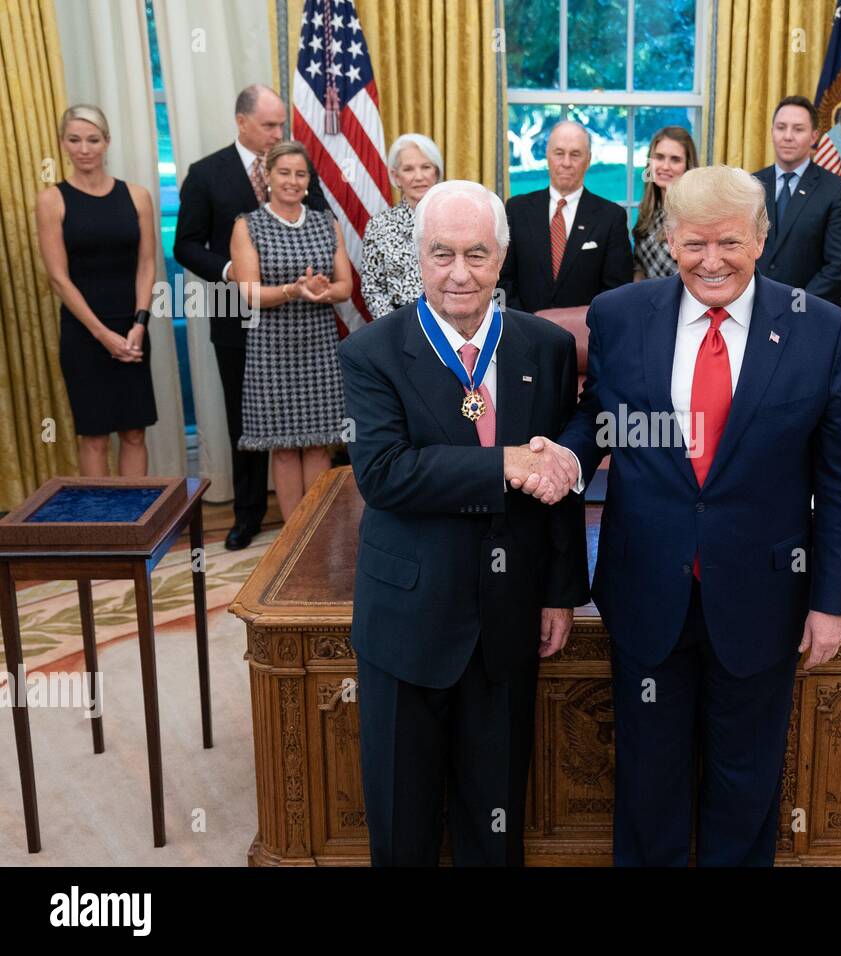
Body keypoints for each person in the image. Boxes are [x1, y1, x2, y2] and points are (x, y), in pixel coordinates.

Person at [534, 165, 841, 866]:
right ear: (668, 237)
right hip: (647, 589)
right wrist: (564, 455)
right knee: (648, 777)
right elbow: (601, 416)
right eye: (693, 244)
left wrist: (831, 601)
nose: (711, 261)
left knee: (745, 780)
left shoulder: (819, 329)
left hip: (763, 595)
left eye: (729, 243)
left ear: (761, 237)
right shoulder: (621, 315)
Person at [337, 180, 588, 866]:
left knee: (495, 819)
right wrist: (504, 462)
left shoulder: (545, 348)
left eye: (476, 254)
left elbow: (557, 484)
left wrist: (559, 589)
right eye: (441, 253)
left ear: (501, 257)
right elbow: (384, 473)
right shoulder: (372, 352)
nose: (458, 273)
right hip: (406, 622)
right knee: (404, 823)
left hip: (509, 623)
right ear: (419, 256)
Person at [173, 84, 329, 549]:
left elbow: (319, 222)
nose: (276, 132)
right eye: (268, 124)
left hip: (302, 319)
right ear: (241, 122)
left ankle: (312, 520)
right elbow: (184, 244)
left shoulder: (296, 168)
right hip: (237, 317)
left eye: (281, 124)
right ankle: (248, 514)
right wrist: (232, 271)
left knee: (306, 425)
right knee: (249, 422)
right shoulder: (206, 174)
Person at [229, 141, 350, 520]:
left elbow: (346, 285)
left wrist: (325, 291)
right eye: (284, 173)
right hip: (272, 348)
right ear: (267, 176)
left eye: (300, 174)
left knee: (317, 444)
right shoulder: (248, 224)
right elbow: (247, 292)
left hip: (319, 345)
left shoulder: (324, 221)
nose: (293, 181)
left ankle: (315, 531)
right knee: (282, 448)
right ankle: (291, 535)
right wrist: (292, 291)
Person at [35, 105, 158, 477]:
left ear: (107, 143)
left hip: (132, 327)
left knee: (135, 432)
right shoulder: (51, 200)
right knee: (94, 436)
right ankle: (104, 530)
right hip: (84, 332)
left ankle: (138, 528)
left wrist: (139, 324)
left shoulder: (137, 196)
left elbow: (147, 264)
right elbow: (58, 278)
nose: (84, 149)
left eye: (92, 139)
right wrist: (102, 334)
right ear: (63, 144)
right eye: (74, 140)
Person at [499, 120, 634, 312]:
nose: (566, 163)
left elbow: (617, 291)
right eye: (559, 153)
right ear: (547, 156)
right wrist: (521, 326)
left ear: (588, 160)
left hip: (586, 337)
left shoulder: (611, 217)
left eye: (575, 154)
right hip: (524, 334)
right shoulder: (516, 209)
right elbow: (502, 279)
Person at [753, 95, 841, 306]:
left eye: (798, 129)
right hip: (754, 308)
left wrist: (796, 304)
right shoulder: (750, 185)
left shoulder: (836, 191)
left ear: (814, 136)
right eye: (781, 127)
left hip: (806, 313)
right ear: (772, 131)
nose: (788, 136)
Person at [361, 133, 444, 318]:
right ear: (396, 176)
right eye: (408, 169)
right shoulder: (379, 226)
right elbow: (372, 288)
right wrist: (395, 328)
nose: (419, 176)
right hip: (398, 323)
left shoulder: (455, 220)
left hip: (451, 322)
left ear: (436, 172)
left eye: (426, 167)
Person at [632, 126, 697, 280]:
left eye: (675, 159)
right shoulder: (649, 211)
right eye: (659, 157)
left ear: (688, 166)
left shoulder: (695, 215)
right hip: (648, 299)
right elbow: (639, 267)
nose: (665, 166)